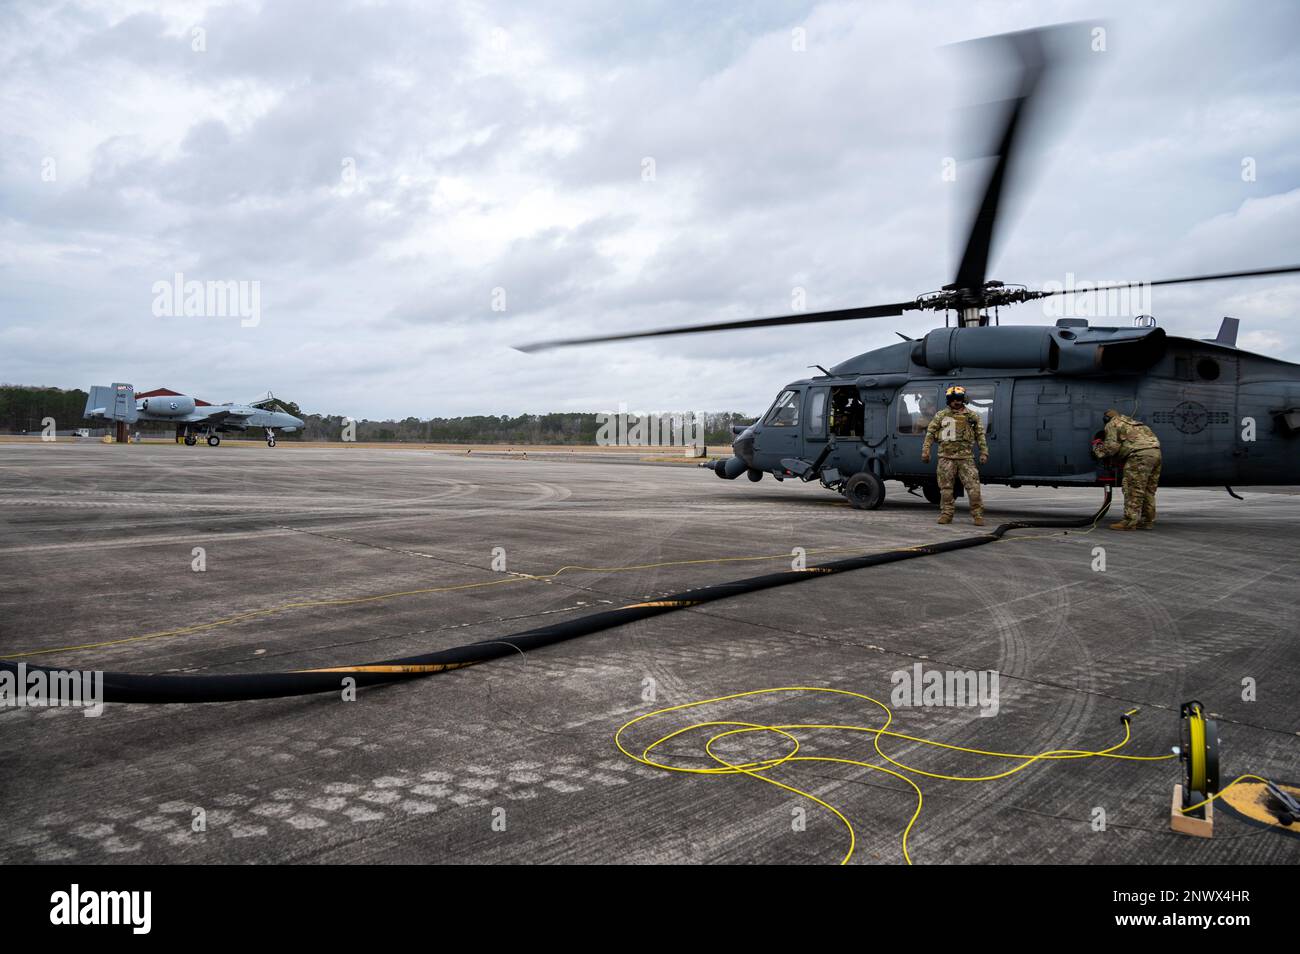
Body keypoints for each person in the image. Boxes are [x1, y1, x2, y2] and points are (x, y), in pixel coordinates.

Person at [922, 385, 988, 525]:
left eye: (958, 399)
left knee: (974, 488)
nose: (956, 402)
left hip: (966, 458)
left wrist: (984, 452)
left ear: (963, 399)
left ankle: (977, 515)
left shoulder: (972, 416)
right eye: (953, 399)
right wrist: (926, 450)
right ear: (949, 401)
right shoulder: (941, 415)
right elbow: (930, 433)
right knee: (946, 489)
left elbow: (980, 435)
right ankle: (946, 514)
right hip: (946, 458)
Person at [1092, 408, 1162, 530]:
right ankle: (1147, 521)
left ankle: (1129, 522)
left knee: (1132, 488)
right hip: (1156, 454)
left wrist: (1097, 449)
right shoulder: (1136, 424)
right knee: (1148, 490)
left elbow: (1111, 447)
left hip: (1139, 456)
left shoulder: (1112, 424)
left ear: (1106, 419)